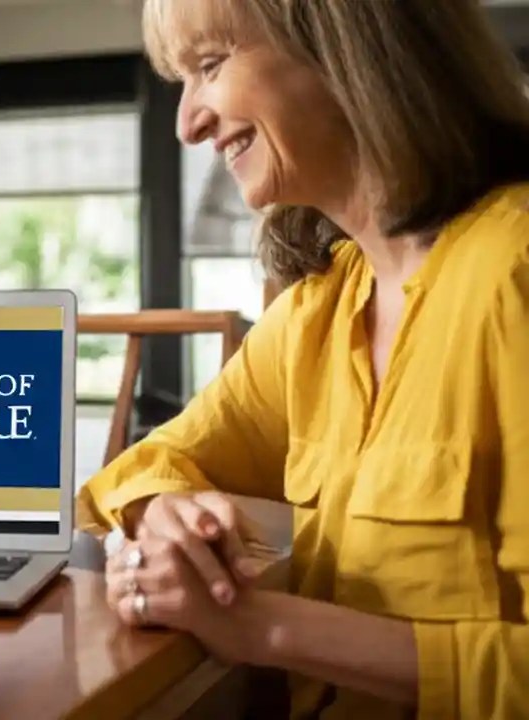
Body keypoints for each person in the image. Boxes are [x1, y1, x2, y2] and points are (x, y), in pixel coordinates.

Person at [78, 1, 529, 718]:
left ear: (344, 46)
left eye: (210, 66)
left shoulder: (514, 271)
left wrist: (261, 627)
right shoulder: (316, 313)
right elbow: (132, 470)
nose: (187, 122)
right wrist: (165, 517)